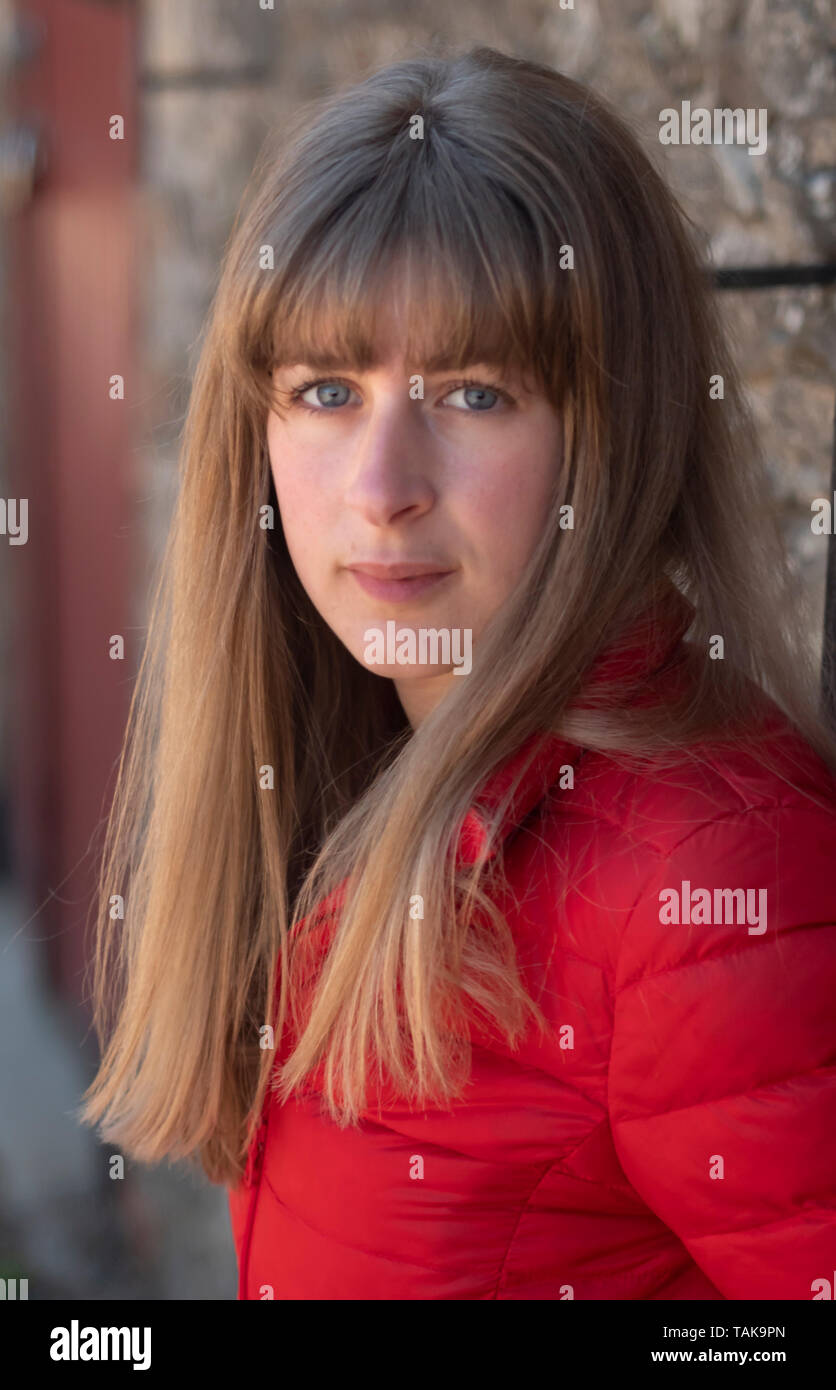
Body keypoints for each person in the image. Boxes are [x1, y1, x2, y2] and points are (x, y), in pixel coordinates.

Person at [79, 45, 836, 1300]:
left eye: (474, 395)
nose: (380, 490)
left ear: (613, 432)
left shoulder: (708, 891)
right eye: (326, 390)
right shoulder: (340, 770)